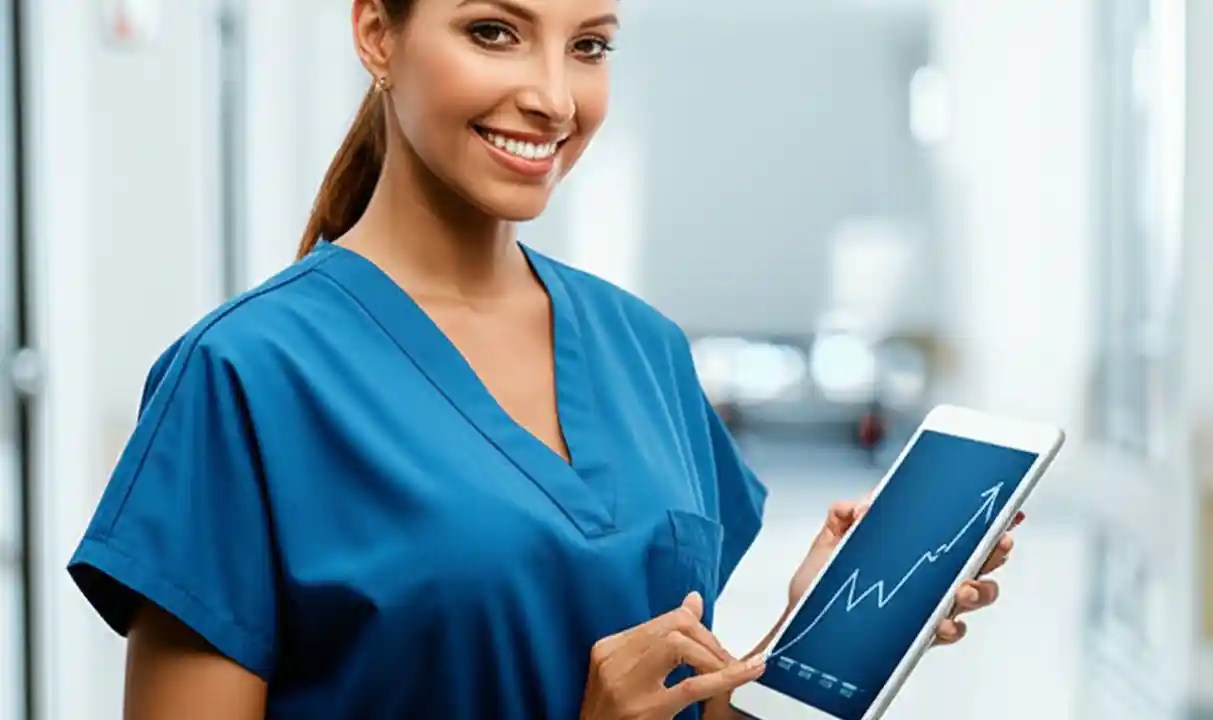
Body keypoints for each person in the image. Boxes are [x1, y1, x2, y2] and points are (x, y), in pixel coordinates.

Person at [67, 1, 1019, 717]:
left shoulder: (645, 348)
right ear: (377, 34)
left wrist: (809, 635)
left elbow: (683, 703)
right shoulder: (243, 376)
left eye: (589, 46)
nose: (555, 99)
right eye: (494, 32)